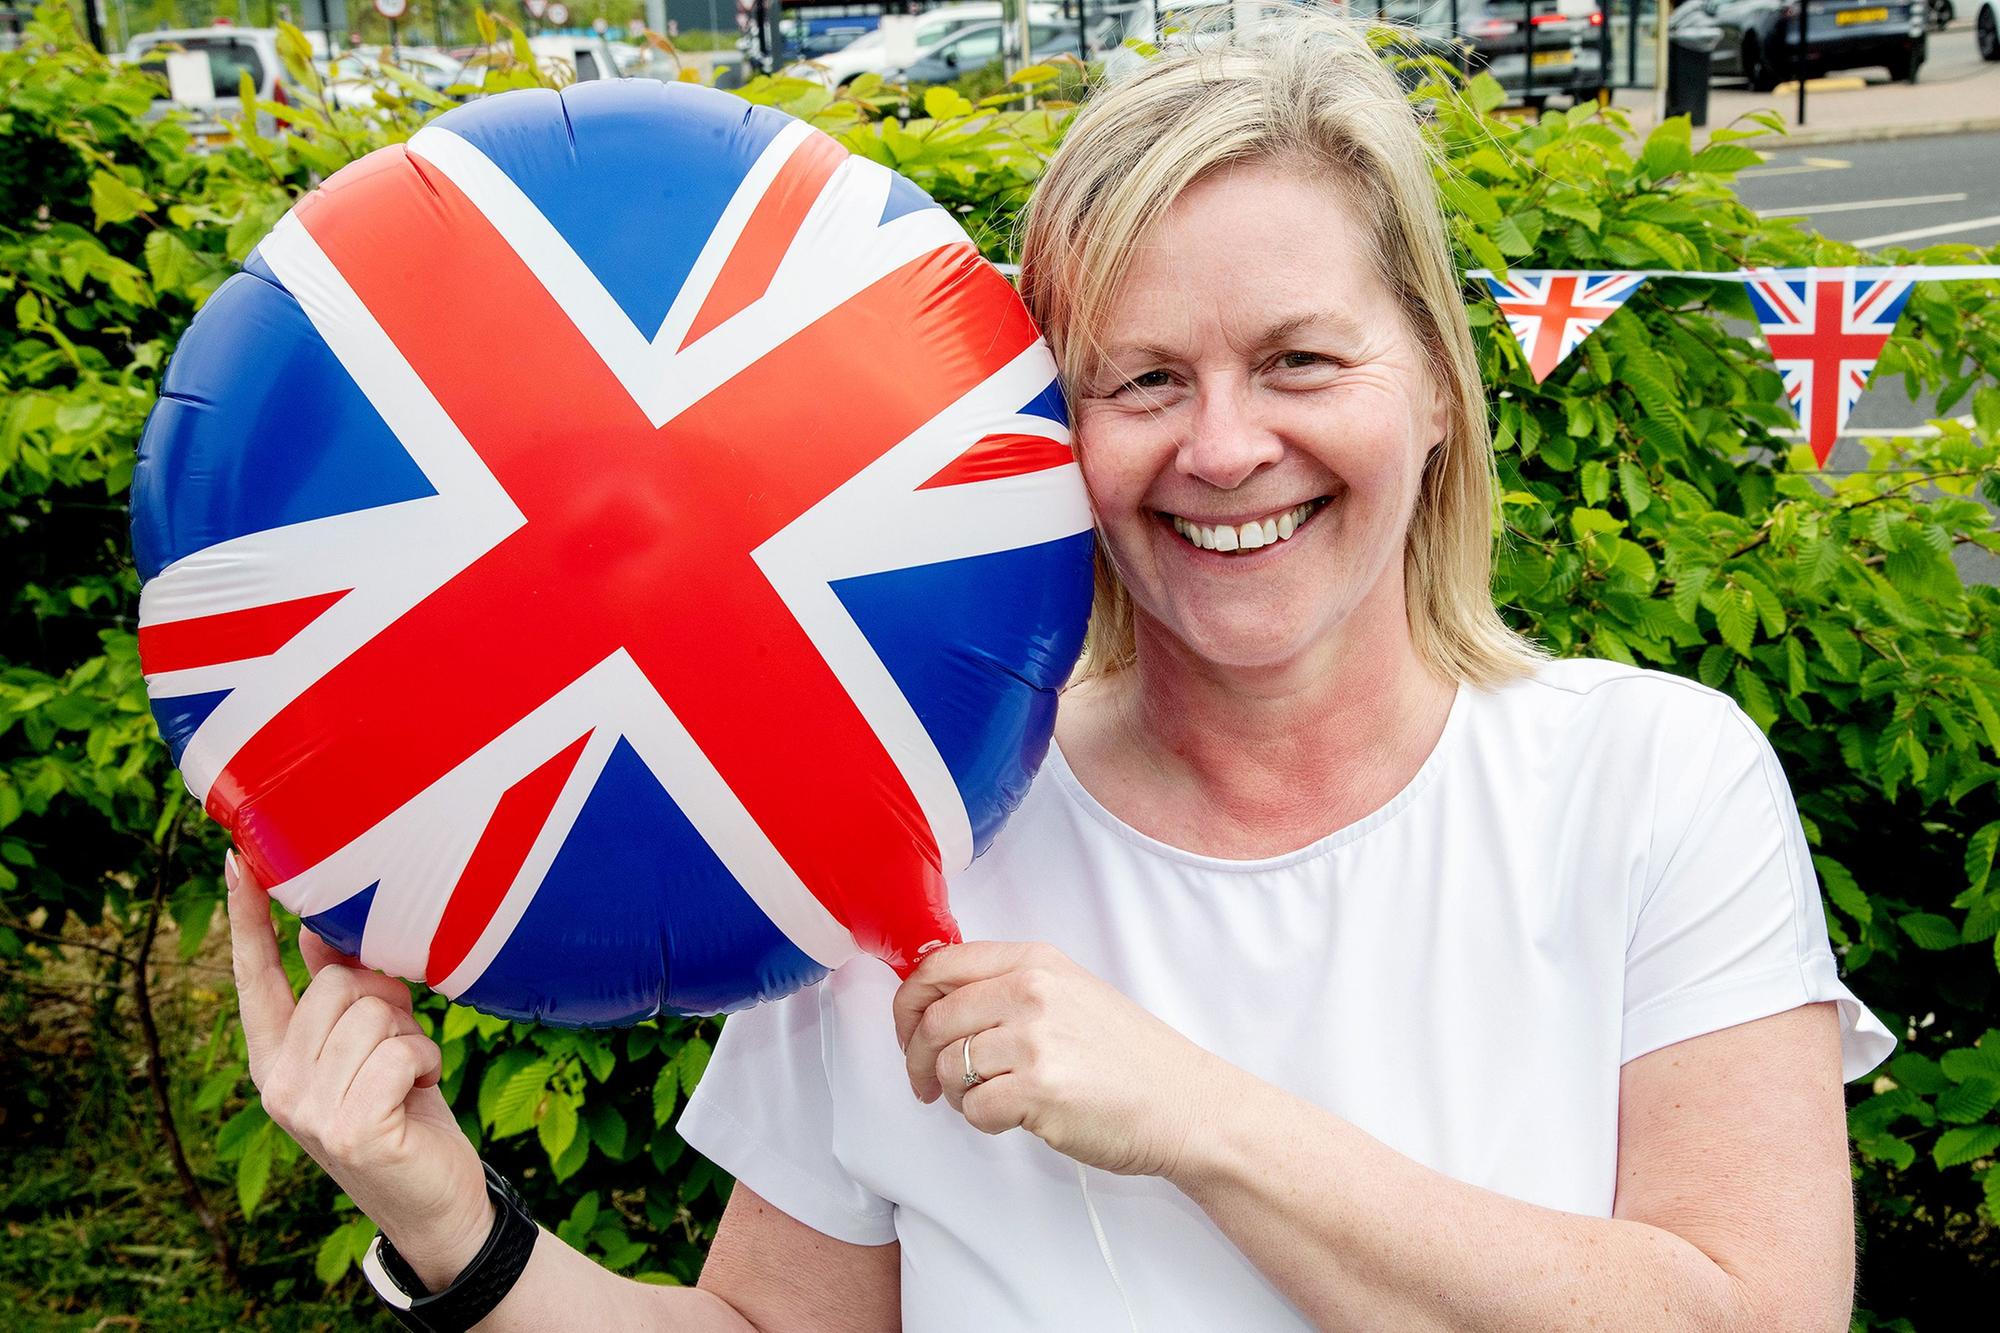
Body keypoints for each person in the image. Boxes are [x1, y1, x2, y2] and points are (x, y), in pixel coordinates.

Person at [225, 12, 1896, 1330]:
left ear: (1440, 386)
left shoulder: (1656, 781)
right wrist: (438, 1206)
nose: (1228, 447)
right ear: (1043, 435)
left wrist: (1198, 1115)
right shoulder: (898, 815)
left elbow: (1749, 1312)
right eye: (1143, 379)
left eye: (1301, 359)